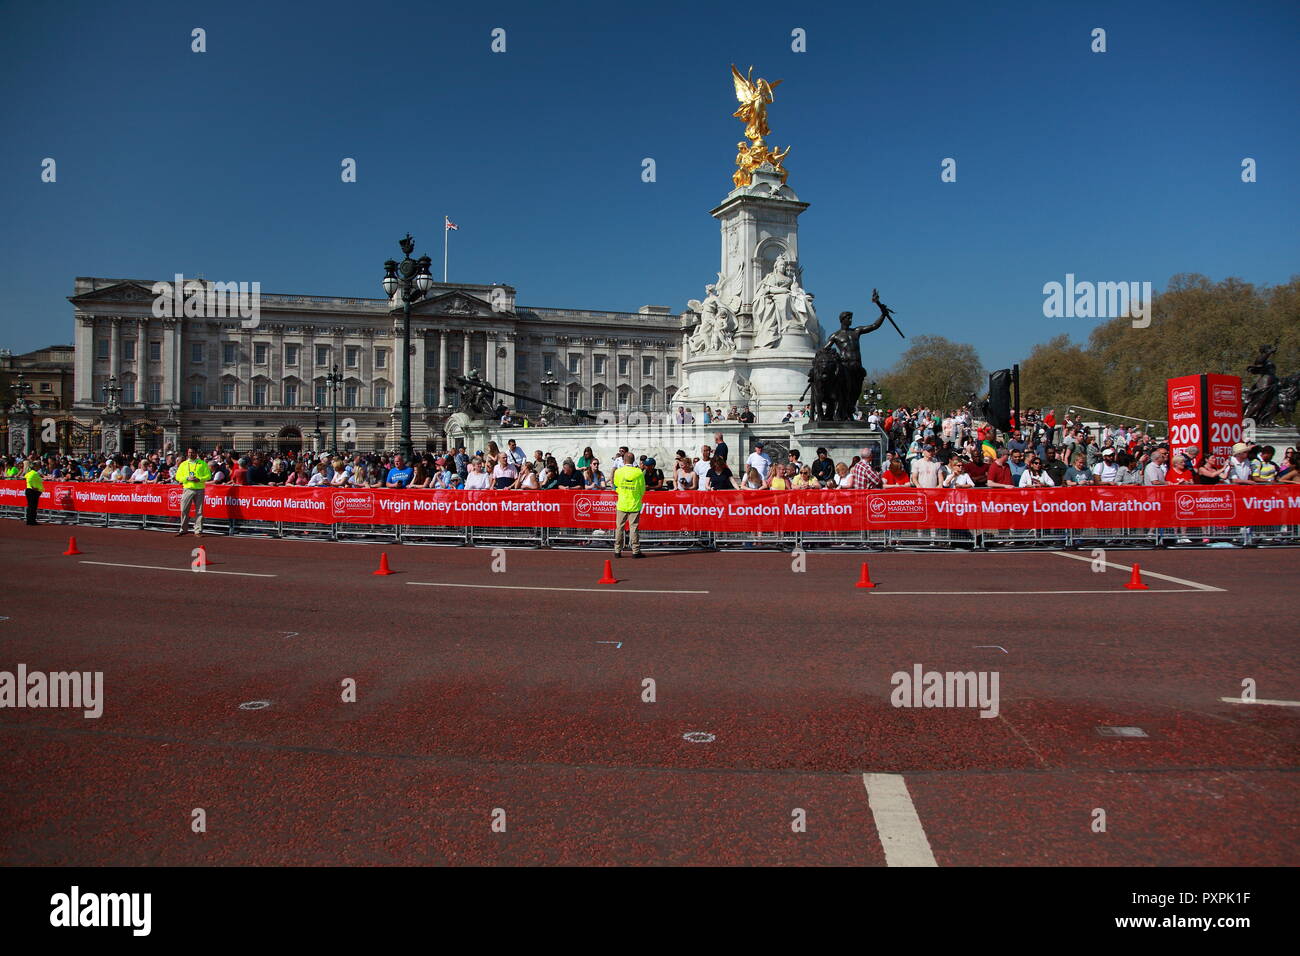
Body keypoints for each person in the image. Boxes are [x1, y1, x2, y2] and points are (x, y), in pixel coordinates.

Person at [612, 452, 646, 558]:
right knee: (634, 528)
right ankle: (635, 551)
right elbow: (642, 489)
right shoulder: (638, 472)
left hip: (622, 503)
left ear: (624, 460)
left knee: (619, 528)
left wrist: (621, 492)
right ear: (633, 460)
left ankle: (617, 550)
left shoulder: (618, 472)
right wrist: (637, 496)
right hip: (634, 503)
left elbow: (616, 485)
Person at [175, 447, 212, 536]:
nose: (191, 454)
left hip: (199, 489)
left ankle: (198, 530)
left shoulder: (202, 463)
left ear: (196, 453)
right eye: (189, 452)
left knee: (199, 511)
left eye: (192, 452)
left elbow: (209, 476)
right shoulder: (183, 464)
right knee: (184, 509)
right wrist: (187, 478)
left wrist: (199, 479)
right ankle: (183, 529)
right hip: (187, 488)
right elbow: (177, 477)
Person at [23, 459, 43, 525]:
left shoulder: (30, 473)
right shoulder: (34, 473)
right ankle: (32, 521)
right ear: (34, 467)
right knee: (33, 507)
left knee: (31, 506)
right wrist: (32, 486)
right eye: (37, 466)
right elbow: (30, 480)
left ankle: (29, 520)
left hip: (31, 491)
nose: (39, 467)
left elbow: (26, 477)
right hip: (33, 491)